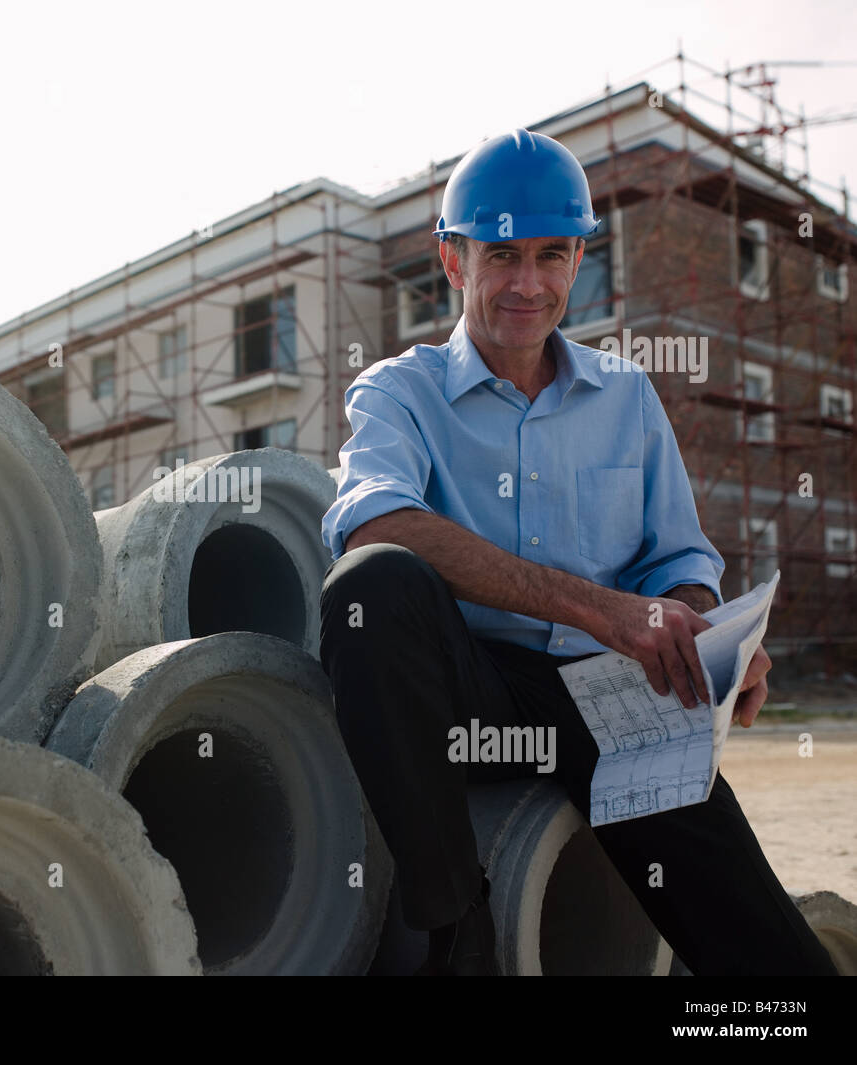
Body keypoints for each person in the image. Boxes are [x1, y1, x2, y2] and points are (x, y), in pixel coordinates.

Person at [319, 128, 837, 976]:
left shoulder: (627, 397)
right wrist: (607, 609)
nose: (529, 284)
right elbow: (379, 523)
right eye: (502, 255)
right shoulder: (397, 392)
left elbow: (679, 566)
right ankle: (457, 927)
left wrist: (712, 647)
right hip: (470, 701)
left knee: (775, 962)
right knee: (371, 587)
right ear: (454, 262)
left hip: (612, 708)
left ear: (578, 259)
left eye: (552, 256)